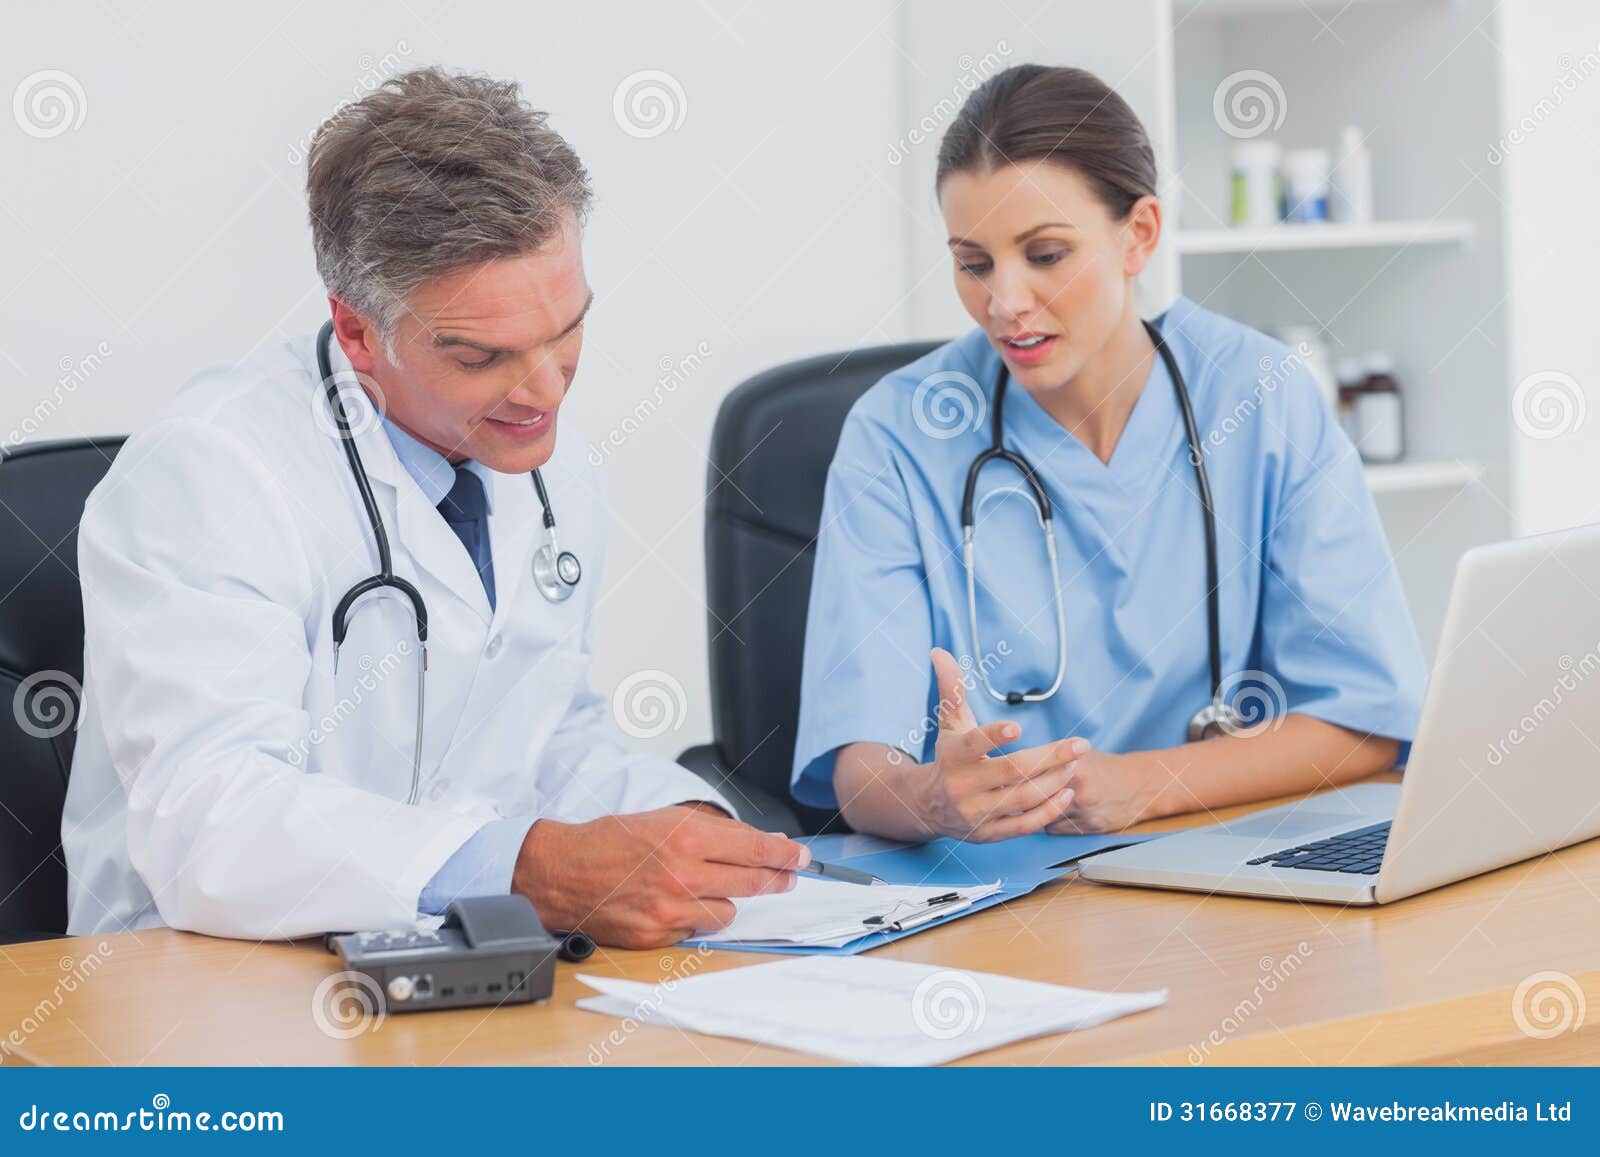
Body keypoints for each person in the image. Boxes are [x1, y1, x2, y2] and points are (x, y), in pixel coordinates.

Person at [62, 67, 807, 948]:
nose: (544, 390)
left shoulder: (551, 470)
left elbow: (548, 741)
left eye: (566, 330)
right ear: (358, 331)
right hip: (206, 994)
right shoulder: (210, 474)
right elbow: (209, 821)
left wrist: (689, 831)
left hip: (463, 972)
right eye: (480, 355)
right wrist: (524, 866)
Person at [791, 64, 1427, 843]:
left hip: (1216, 871)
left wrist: (1142, 785)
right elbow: (863, 772)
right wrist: (933, 797)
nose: (1006, 302)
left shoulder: (1262, 397)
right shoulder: (897, 434)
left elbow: (1366, 717)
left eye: (1047, 253)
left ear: (1140, 234)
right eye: (974, 262)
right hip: (992, 898)